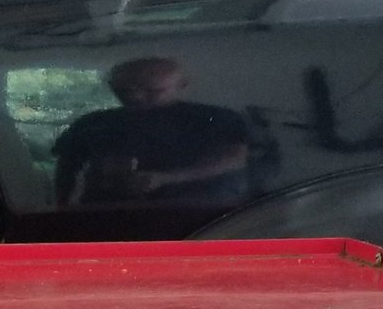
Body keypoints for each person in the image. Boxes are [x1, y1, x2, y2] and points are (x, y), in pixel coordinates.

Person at [54, 57, 251, 210]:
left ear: (182, 85)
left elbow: (235, 158)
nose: (136, 97)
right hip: (107, 218)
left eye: (153, 91)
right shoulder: (92, 122)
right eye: (124, 91)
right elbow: (65, 169)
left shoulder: (215, 118)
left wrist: (167, 178)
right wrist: (61, 208)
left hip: (202, 220)